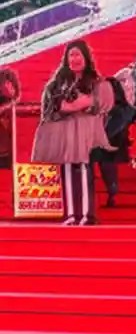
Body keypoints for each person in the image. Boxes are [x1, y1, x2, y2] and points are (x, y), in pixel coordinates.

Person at [31, 40, 114, 226]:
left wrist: (80, 105)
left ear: (86, 57)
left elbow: (99, 104)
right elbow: (54, 107)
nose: (75, 59)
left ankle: (87, 214)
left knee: (84, 169)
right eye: (71, 55)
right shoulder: (57, 83)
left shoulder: (95, 81)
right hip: (65, 136)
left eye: (78, 55)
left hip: (86, 136)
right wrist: (74, 106)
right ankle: (71, 214)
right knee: (68, 169)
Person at [93, 75, 136, 209]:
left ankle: (112, 190)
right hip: (111, 143)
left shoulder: (118, 110)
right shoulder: (111, 108)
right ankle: (111, 190)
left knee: (107, 161)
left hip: (112, 143)